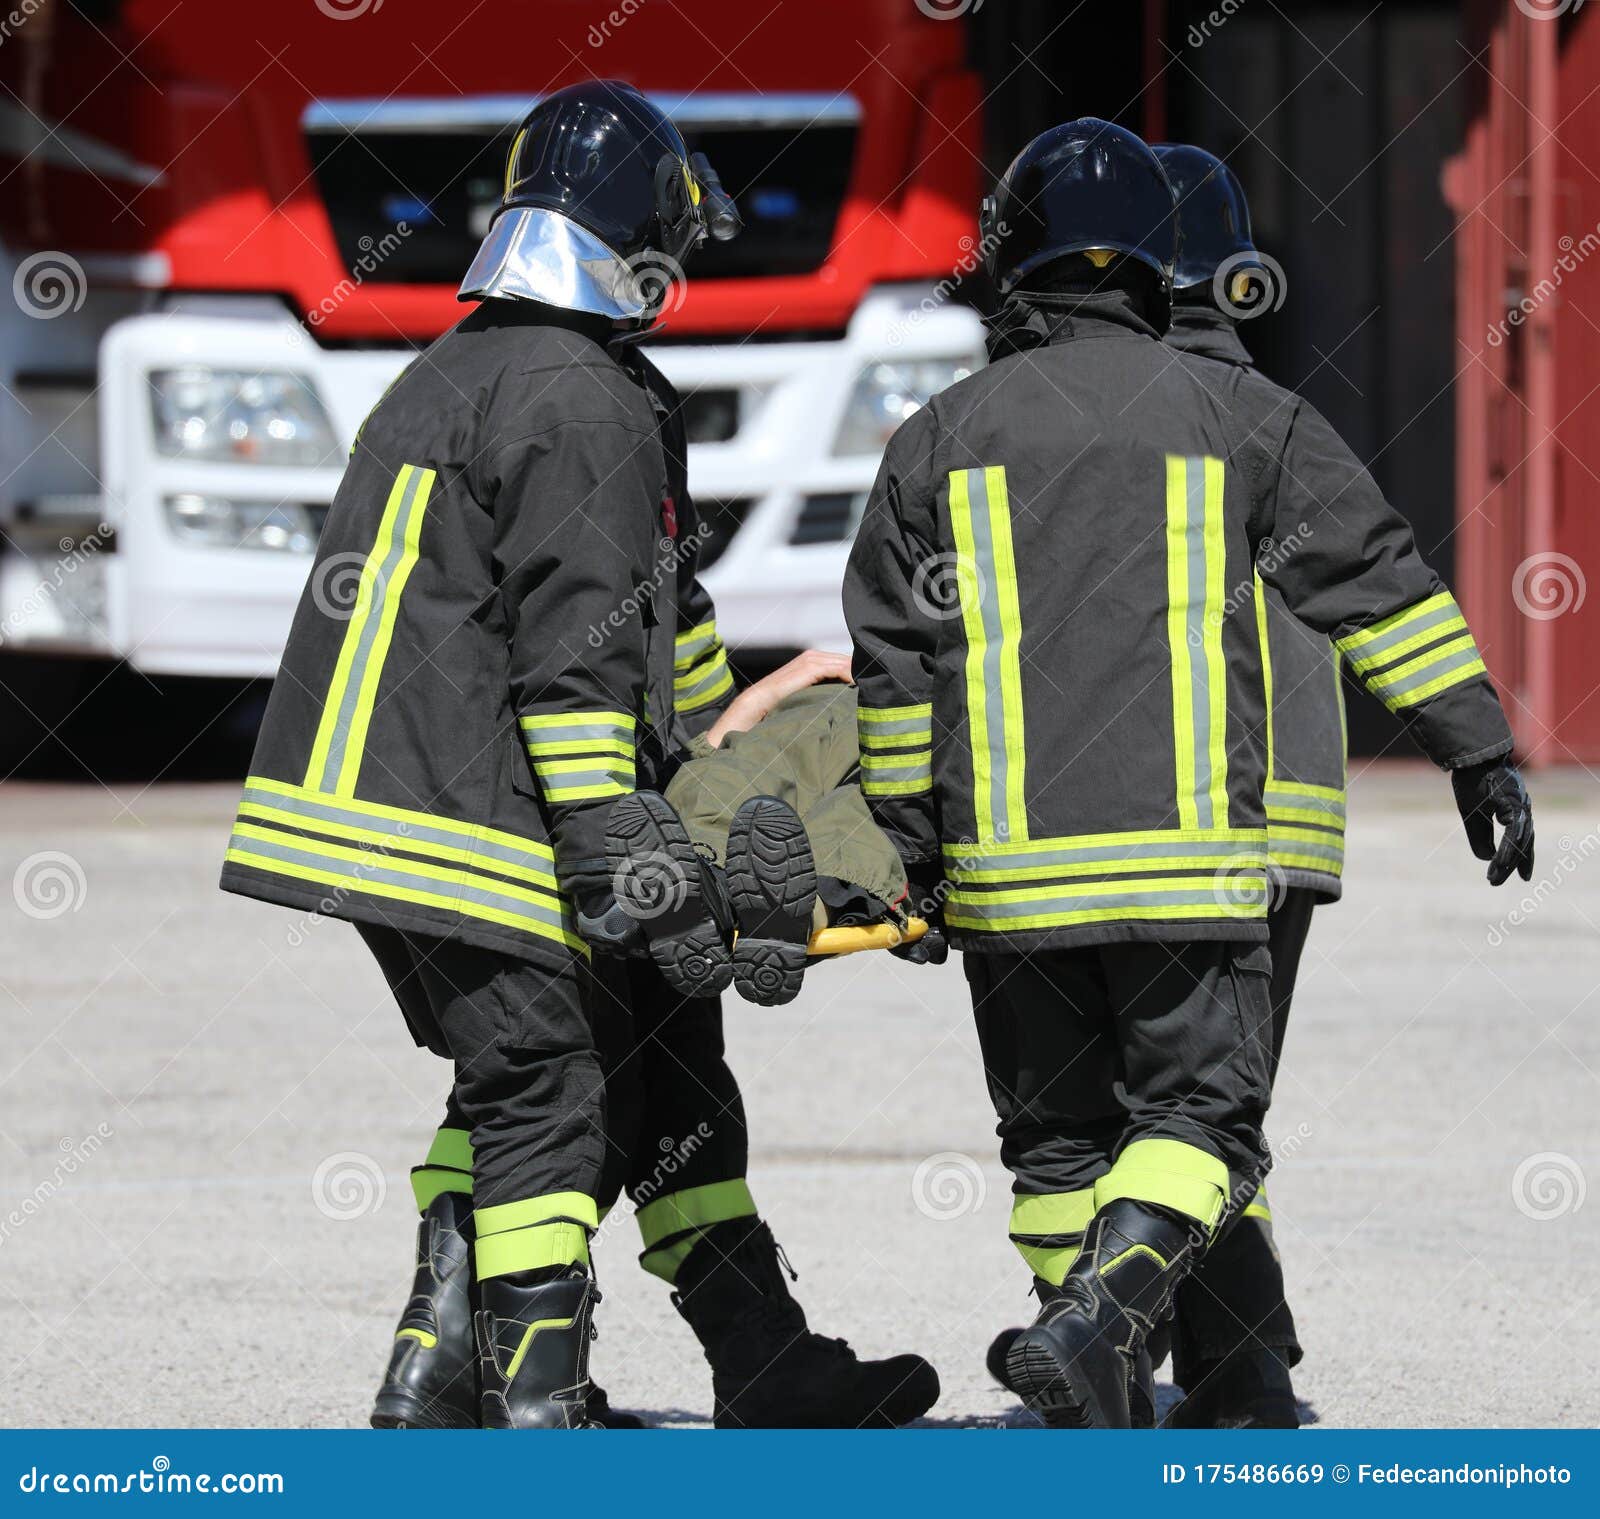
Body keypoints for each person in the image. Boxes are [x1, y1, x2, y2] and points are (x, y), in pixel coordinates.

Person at [221, 81, 936, 1430]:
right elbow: (573, 655)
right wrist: (612, 835)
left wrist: (735, 750)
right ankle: (534, 1404)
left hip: (395, 807)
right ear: (640, 236)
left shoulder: (468, 372)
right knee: (552, 1090)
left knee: (655, 1050)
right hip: (469, 817)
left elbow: (663, 633)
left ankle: (709, 1357)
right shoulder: (583, 400)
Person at [843, 118, 1534, 1429]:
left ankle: (1091, 1373)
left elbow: (895, 672)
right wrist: (1477, 746)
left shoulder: (934, 437)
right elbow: (1378, 587)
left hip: (1007, 878)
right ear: (1162, 270)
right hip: (1191, 869)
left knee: (1056, 1144)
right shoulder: (1242, 414)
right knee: (1202, 1118)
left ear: (1014, 266)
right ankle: (1105, 1324)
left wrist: (913, 850)